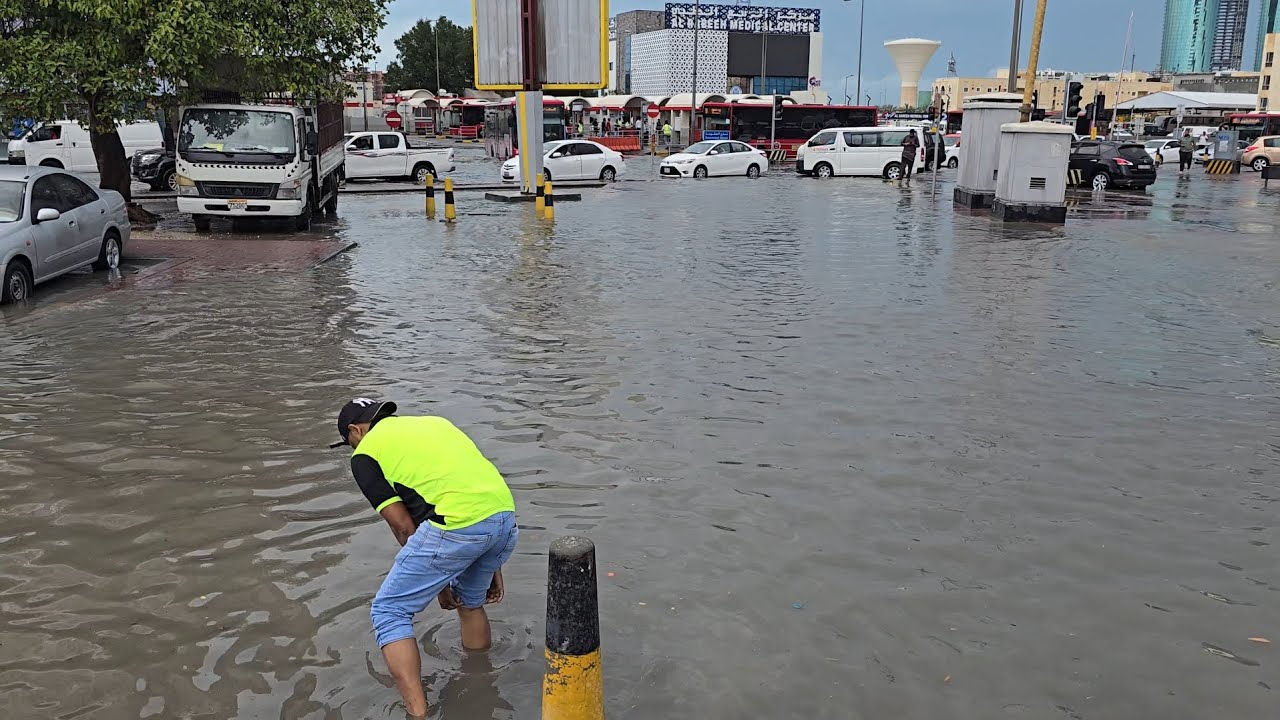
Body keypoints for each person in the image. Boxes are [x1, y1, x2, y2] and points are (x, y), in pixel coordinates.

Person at [333, 398, 517, 719]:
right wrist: (493, 560)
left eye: (349, 442)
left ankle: (417, 714)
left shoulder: (364, 454)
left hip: (459, 524)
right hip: (503, 516)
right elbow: (472, 487)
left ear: (354, 431)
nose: (353, 449)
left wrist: (440, 587)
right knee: (469, 603)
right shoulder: (435, 423)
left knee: (389, 611)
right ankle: (479, 678)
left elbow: (403, 525)